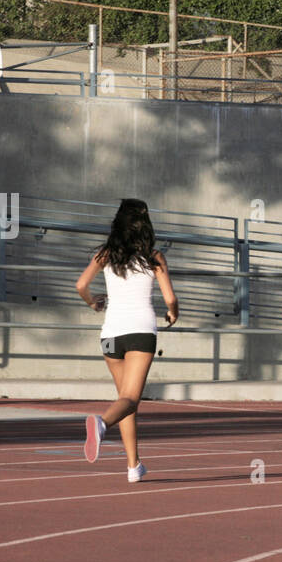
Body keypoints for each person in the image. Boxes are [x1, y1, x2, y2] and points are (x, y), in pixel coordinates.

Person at [74, 199, 178, 481]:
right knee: (131, 399)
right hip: (140, 332)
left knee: (125, 400)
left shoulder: (106, 254)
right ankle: (101, 422)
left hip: (110, 335)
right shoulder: (154, 257)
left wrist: (92, 302)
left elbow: (81, 285)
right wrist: (173, 313)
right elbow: (170, 298)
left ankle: (133, 466)